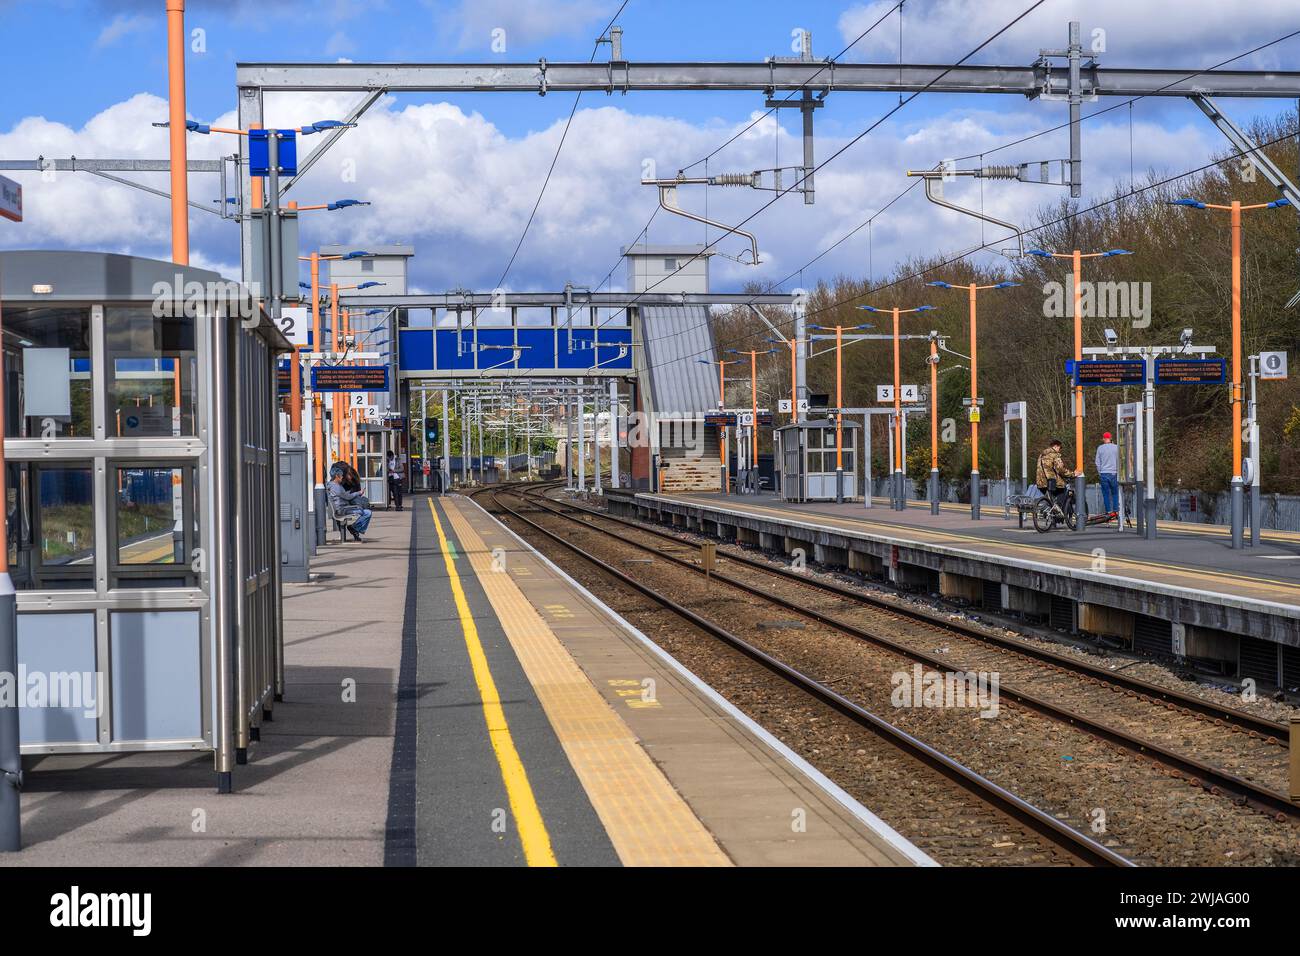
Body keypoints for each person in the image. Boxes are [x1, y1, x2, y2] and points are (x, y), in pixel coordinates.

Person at [327, 462, 372, 542]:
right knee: (366, 512)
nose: (342, 478)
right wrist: (358, 493)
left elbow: (344, 495)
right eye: (341, 476)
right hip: (343, 509)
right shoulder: (337, 487)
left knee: (366, 511)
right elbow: (347, 496)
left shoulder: (334, 485)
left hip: (342, 507)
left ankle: (354, 528)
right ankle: (354, 528)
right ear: (337, 476)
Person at [1035, 438, 1076, 518]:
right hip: (1051, 482)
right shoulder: (1055, 455)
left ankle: (1055, 516)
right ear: (1056, 446)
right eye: (1060, 448)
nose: (1059, 450)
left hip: (1040, 483)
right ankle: (1057, 509)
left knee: (1053, 499)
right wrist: (1072, 474)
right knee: (1063, 490)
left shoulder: (1042, 455)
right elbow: (1061, 469)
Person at [1095, 431, 1119, 518]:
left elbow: (1097, 462)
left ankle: (1109, 512)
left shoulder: (1100, 448)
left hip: (1104, 473)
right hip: (1114, 473)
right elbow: (1119, 460)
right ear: (1111, 438)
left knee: (1105, 494)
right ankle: (1116, 511)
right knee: (1115, 493)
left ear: (1104, 439)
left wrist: (1100, 472)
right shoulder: (1116, 447)